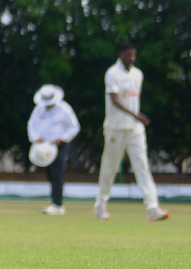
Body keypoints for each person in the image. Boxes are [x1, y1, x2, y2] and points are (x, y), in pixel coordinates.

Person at [94, 45, 169, 222]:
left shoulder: (138, 74)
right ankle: (100, 205)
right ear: (120, 55)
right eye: (128, 56)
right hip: (115, 128)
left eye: (134, 56)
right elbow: (114, 100)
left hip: (135, 128)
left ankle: (152, 207)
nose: (131, 59)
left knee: (141, 165)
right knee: (110, 167)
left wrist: (135, 118)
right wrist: (135, 114)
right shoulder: (112, 73)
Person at [27, 84, 79, 215]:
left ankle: (57, 204)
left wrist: (61, 139)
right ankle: (55, 202)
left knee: (57, 173)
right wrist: (36, 138)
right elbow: (31, 125)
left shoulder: (64, 108)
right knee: (49, 174)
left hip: (59, 146)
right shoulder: (39, 109)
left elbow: (74, 127)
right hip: (43, 147)